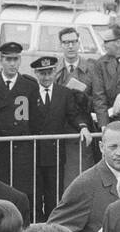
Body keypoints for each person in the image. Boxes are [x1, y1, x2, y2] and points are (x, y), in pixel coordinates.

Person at [30, 54, 87, 217]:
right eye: (42, 73)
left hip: (54, 154)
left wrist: (83, 127)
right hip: (34, 153)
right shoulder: (29, 92)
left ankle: (52, 228)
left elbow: (74, 115)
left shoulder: (64, 93)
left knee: (53, 195)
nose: (46, 77)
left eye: (49, 73)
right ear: (36, 73)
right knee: (35, 194)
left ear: (55, 72)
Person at [0, 41, 40, 196]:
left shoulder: (29, 84)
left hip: (21, 146)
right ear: (1, 60)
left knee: (21, 187)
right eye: (8, 59)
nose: (12, 64)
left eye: (16, 59)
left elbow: (35, 117)